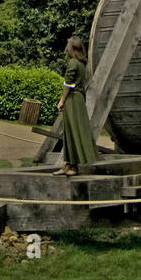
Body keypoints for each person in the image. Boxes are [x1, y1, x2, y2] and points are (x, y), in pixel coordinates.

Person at [54, 37, 97, 177]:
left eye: (68, 45)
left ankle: (73, 166)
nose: (66, 48)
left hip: (73, 99)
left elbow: (68, 84)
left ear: (71, 48)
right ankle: (68, 164)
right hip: (77, 98)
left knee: (72, 131)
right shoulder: (81, 63)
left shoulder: (73, 63)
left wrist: (61, 101)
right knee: (70, 131)